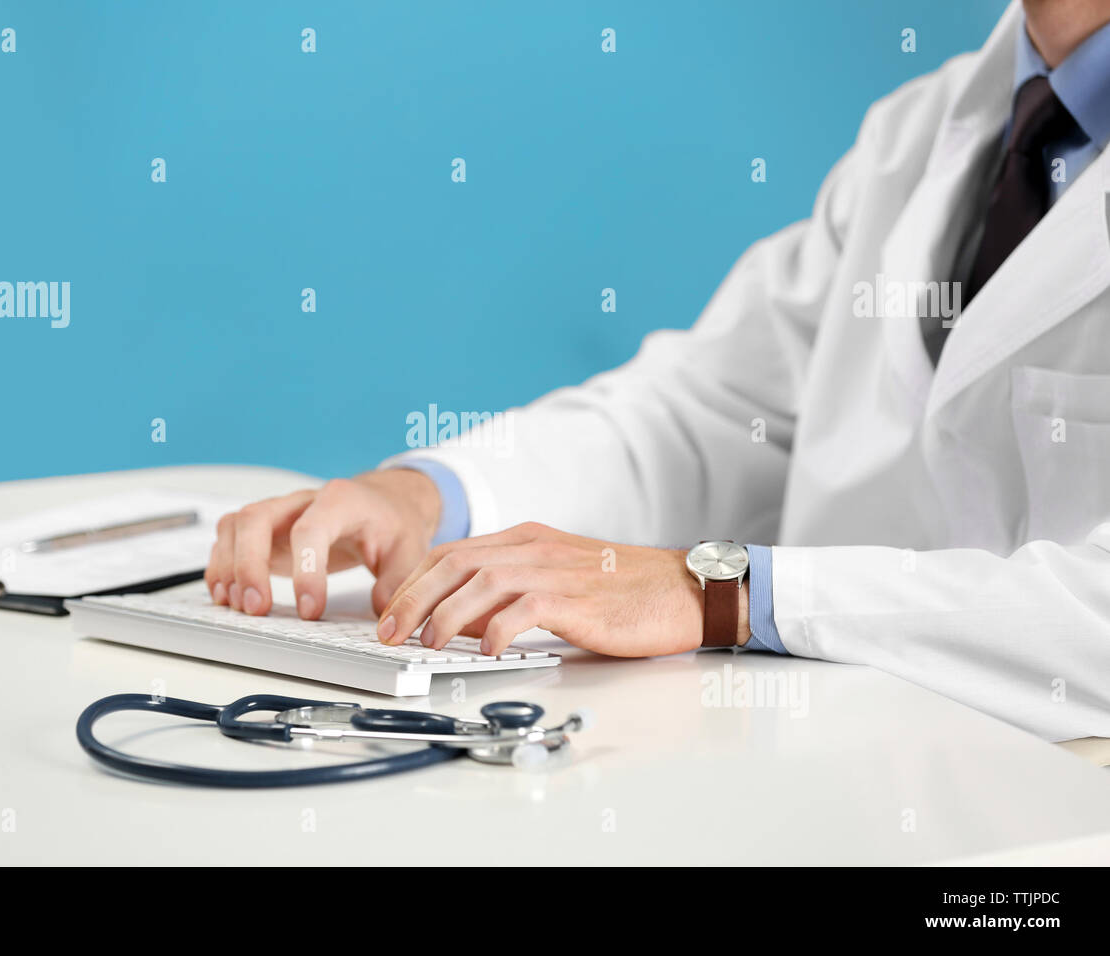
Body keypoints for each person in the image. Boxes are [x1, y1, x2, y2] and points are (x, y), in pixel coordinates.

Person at [207, 0, 1110, 742]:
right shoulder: (920, 132)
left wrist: (723, 593)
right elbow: (712, 411)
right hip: (842, 774)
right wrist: (432, 495)